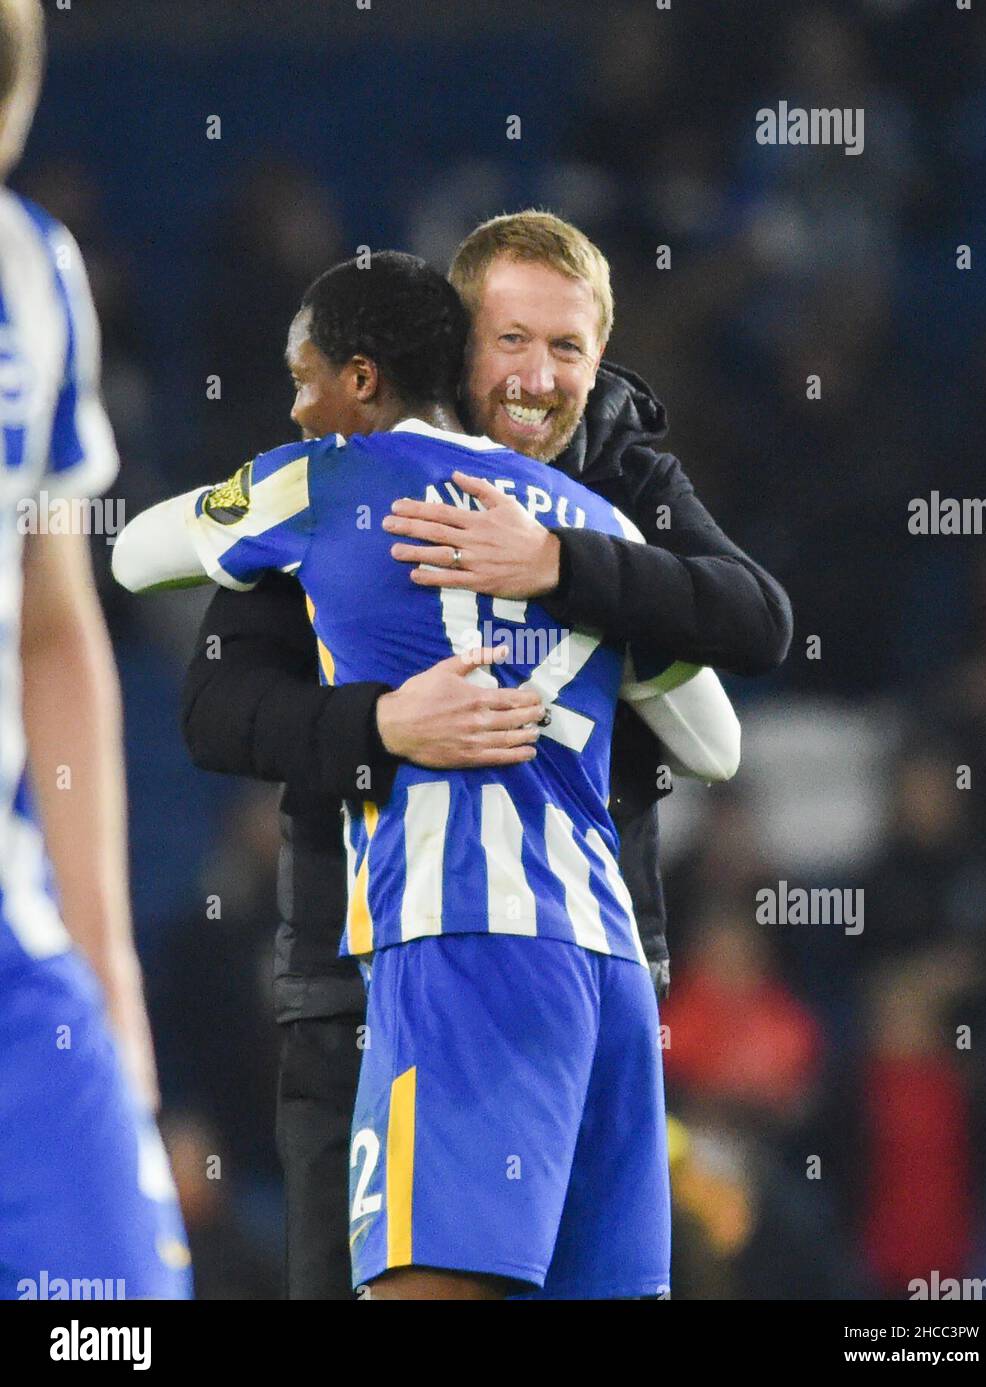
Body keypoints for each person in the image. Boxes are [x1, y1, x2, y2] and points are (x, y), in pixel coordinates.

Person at [178, 211, 793, 1297]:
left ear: (601, 358)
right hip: (359, 972)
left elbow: (758, 621)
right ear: (453, 345)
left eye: (569, 349)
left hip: (589, 957)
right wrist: (380, 725)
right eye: (510, 341)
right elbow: (218, 709)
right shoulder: (342, 478)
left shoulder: (626, 478)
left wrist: (563, 562)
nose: (539, 378)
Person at [0, 0, 189, 1299]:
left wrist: (105, 955)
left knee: (116, 1306)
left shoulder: (31, 271)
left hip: (14, 946)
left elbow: (57, 622)